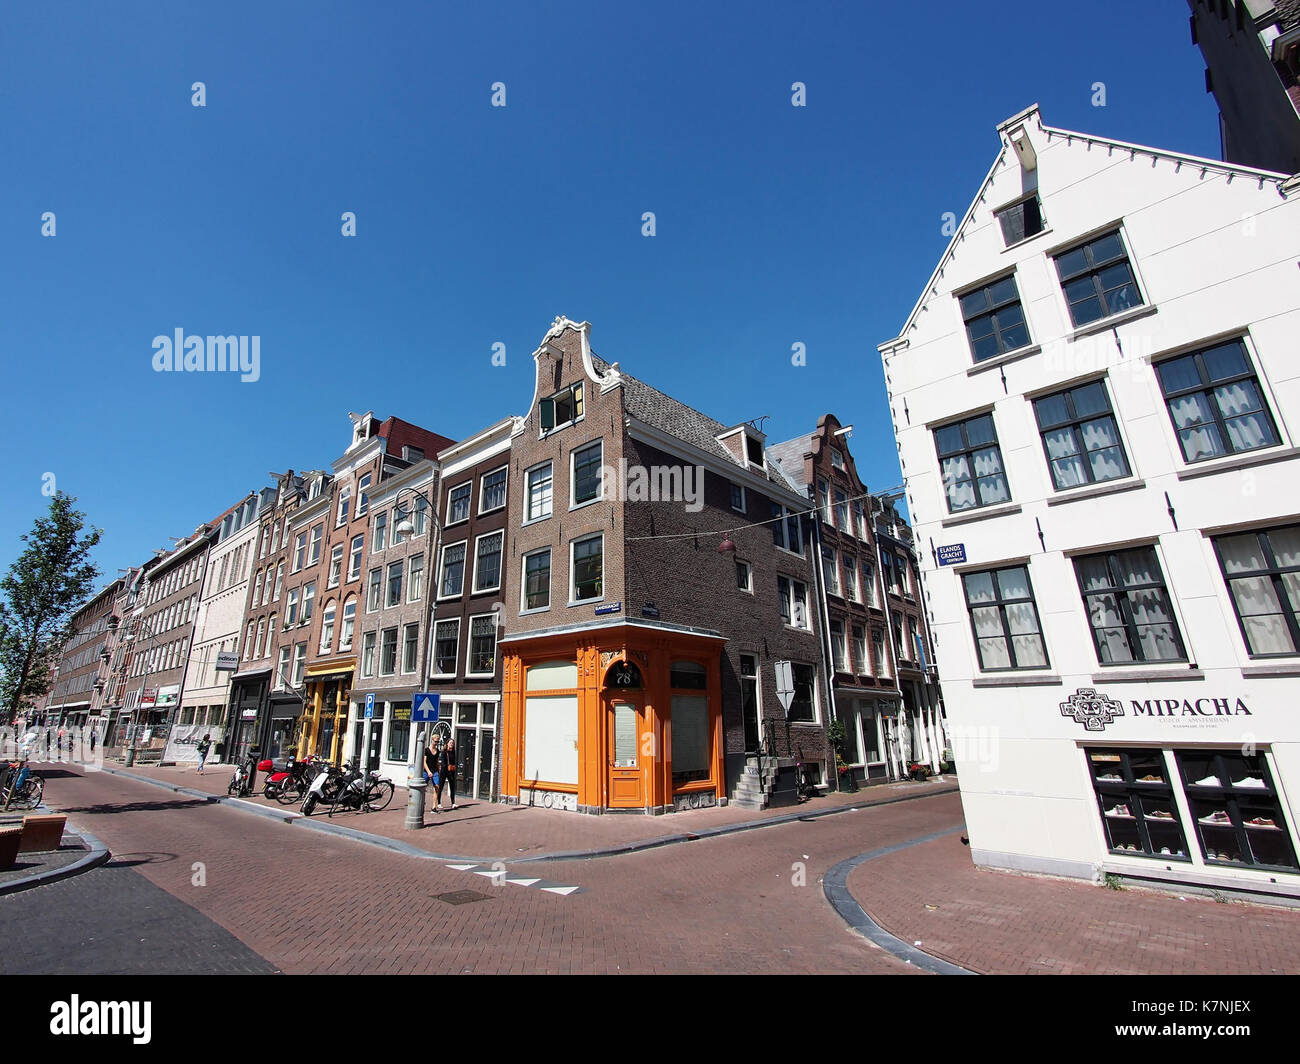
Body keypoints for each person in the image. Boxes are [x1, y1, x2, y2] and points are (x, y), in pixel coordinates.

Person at [423, 737, 443, 814]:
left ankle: (434, 807)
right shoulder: (426, 750)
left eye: (437, 742)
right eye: (435, 741)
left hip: (434, 771)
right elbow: (424, 762)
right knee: (422, 787)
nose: (436, 743)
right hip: (426, 771)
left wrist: (439, 770)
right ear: (431, 740)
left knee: (437, 787)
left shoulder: (437, 751)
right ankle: (421, 802)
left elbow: (437, 761)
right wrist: (428, 772)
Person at [442, 735, 458, 811]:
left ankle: (453, 803)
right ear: (447, 743)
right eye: (451, 743)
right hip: (444, 771)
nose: (452, 744)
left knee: (452, 787)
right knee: (440, 787)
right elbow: (443, 762)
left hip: (451, 771)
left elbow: (454, 761)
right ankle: (438, 802)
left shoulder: (453, 752)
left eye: (453, 743)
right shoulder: (444, 752)